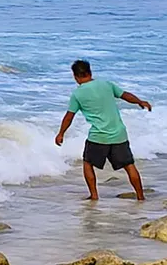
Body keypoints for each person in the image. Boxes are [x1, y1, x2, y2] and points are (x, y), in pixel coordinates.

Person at [55, 60, 152, 201]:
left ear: (75, 76)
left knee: (88, 164)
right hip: (119, 134)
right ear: (90, 72)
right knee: (129, 165)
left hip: (99, 136)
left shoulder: (77, 94)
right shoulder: (106, 84)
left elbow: (69, 116)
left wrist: (61, 133)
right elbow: (125, 95)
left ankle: (94, 196)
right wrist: (140, 102)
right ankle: (140, 196)